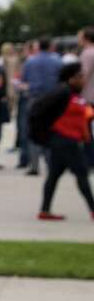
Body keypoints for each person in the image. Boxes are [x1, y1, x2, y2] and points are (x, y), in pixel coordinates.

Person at [37, 63, 94, 221]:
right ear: (71, 78)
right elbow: (40, 110)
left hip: (63, 140)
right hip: (65, 141)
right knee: (81, 174)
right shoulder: (63, 93)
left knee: (54, 175)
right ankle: (92, 209)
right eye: (80, 77)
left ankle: (45, 210)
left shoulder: (71, 94)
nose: (83, 79)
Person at [19, 37, 63, 175]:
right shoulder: (57, 61)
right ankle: (52, 165)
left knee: (33, 132)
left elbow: (23, 80)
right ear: (50, 46)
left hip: (34, 99)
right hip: (52, 100)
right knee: (52, 132)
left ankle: (34, 166)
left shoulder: (30, 61)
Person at [78, 26, 94, 165]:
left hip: (89, 97)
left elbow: (83, 76)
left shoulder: (87, 53)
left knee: (86, 131)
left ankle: (89, 160)